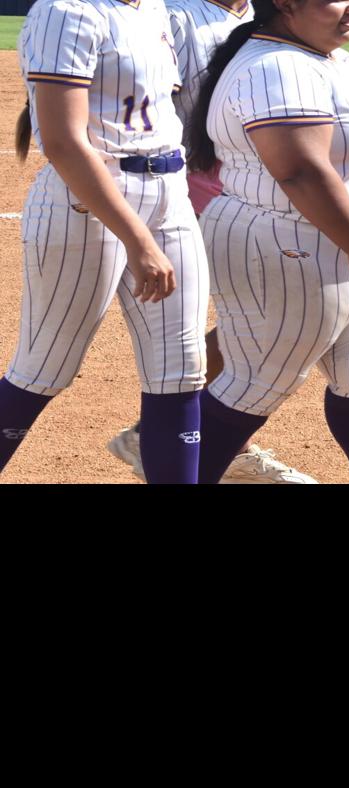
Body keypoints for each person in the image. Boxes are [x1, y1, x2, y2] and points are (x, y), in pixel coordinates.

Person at [183, 0, 349, 483]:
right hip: (296, 243)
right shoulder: (276, 67)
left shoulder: (331, 59)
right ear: (286, 4)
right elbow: (299, 170)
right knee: (255, 382)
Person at [103, 0, 318, 483]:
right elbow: (151, 105)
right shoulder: (178, 15)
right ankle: (172, 434)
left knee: (270, 311)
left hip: (250, 180)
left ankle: (192, 436)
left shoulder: (257, 17)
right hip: (199, 182)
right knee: (268, 311)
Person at [0, 0, 209, 484]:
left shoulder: (154, 8)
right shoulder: (66, 11)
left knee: (181, 370)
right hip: (87, 201)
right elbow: (62, 141)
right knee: (43, 368)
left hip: (167, 192)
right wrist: (138, 241)